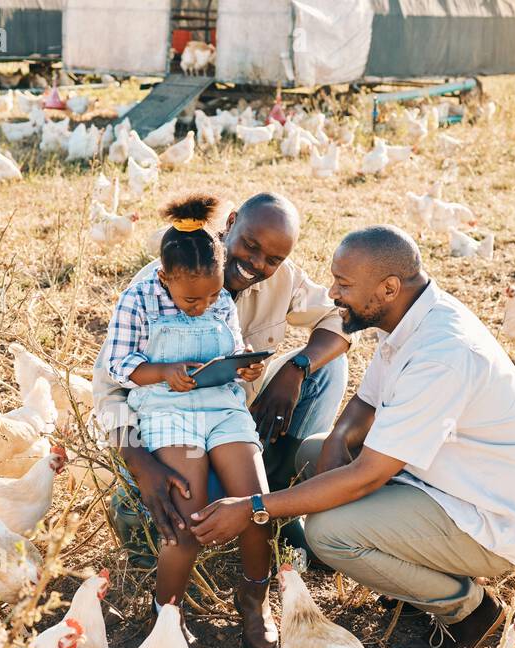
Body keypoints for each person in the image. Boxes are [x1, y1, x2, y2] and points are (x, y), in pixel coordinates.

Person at [190, 225, 515, 648]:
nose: (332, 292)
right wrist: (339, 440)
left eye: (343, 284)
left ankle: (468, 611)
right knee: (311, 454)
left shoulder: (443, 354)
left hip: (486, 518)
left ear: (388, 287)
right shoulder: (408, 314)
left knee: (330, 534)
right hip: (440, 479)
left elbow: (368, 476)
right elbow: (367, 401)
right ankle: (412, 573)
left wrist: (253, 508)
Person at [93, 192, 352, 561]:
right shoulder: (158, 284)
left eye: (273, 259)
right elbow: (109, 392)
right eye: (249, 245)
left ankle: (274, 499)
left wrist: (295, 370)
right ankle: (148, 514)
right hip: (169, 428)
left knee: (327, 366)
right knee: (165, 502)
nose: (256, 263)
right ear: (230, 224)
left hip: (232, 425)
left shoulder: (284, 279)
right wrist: (139, 462)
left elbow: (341, 317)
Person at [103, 194, 276, 648]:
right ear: (164, 279)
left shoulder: (219, 298)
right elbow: (118, 365)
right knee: (186, 519)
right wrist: (162, 371)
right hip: (167, 409)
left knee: (256, 503)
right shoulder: (139, 297)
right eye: (190, 300)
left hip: (220, 405)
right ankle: (169, 615)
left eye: (211, 297)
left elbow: (232, 346)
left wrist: (244, 368)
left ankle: (253, 597)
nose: (202, 308)